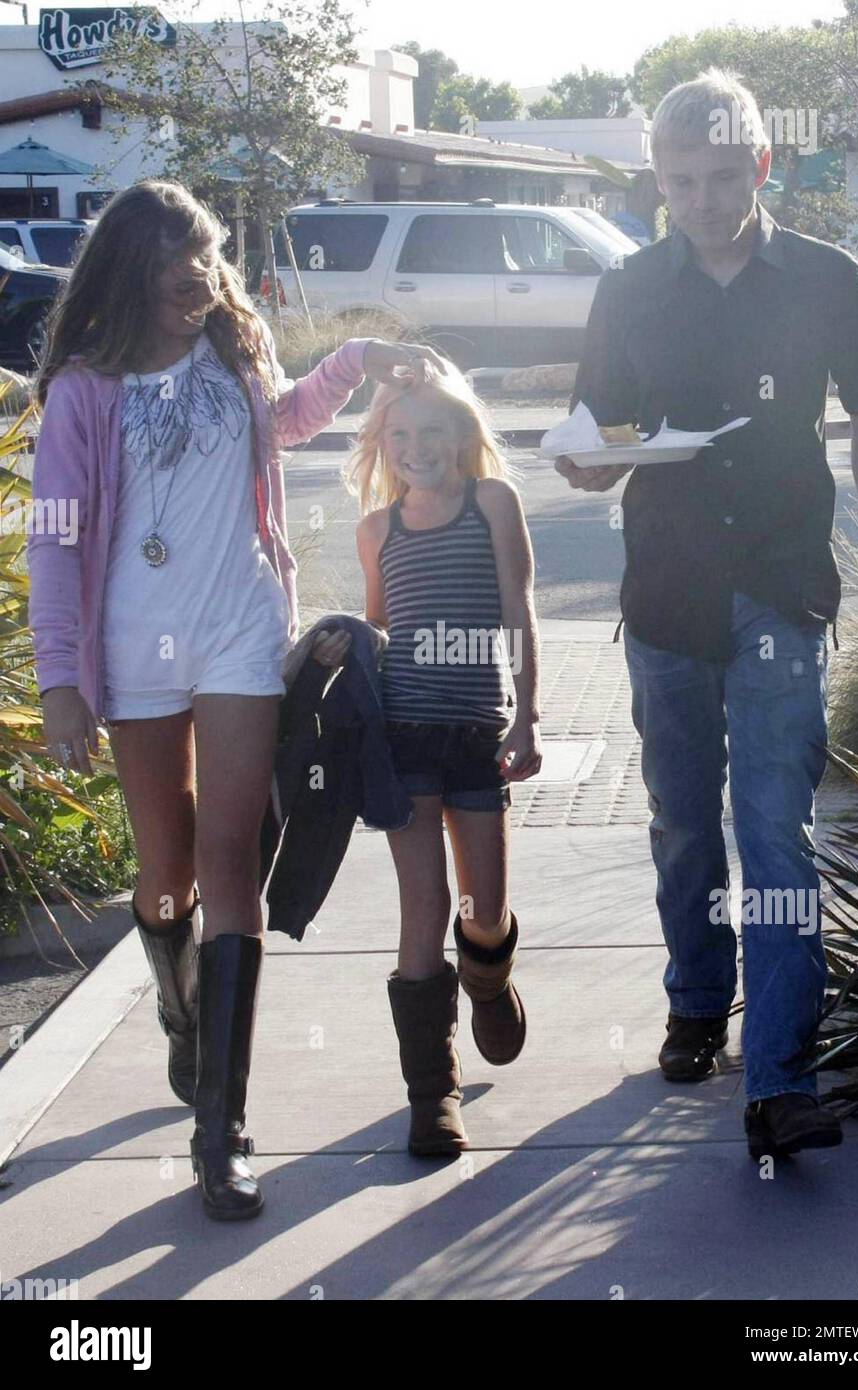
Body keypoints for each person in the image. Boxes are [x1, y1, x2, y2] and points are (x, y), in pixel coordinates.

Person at [27, 178, 444, 1218]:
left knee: (228, 862)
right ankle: (181, 1009)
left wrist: (356, 362)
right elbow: (58, 536)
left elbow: (291, 420)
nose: (202, 285)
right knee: (165, 873)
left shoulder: (232, 350)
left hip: (241, 634)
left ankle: (223, 1127)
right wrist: (61, 679)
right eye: (181, 273)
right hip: (133, 648)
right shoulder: (85, 389)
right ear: (129, 274)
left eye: (211, 263)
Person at [557, 69, 858, 1160]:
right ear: (657, 180)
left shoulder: (822, 277)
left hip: (782, 587)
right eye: (680, 182)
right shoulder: (627, 289)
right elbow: (597, 431)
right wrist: (587, 461)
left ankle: (780, 1078)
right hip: (665, 592)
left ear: (762, 164)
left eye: (722, 176)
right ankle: (697, 1001)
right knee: (678, 820)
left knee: (775, 827)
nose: (703, 199)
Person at [346, 361, 542, 1154]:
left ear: (463, 436)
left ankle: (489, 977)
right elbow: (378, 633)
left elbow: (518, 611)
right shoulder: (375, 530)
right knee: (421, 914)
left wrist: (527, 717)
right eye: (401, 435)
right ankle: (433, 1095)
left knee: (481, 911)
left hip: (476, 738)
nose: (417, 448)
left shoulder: (490, 503)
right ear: (382, 444)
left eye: (434, 432)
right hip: (405, 741)